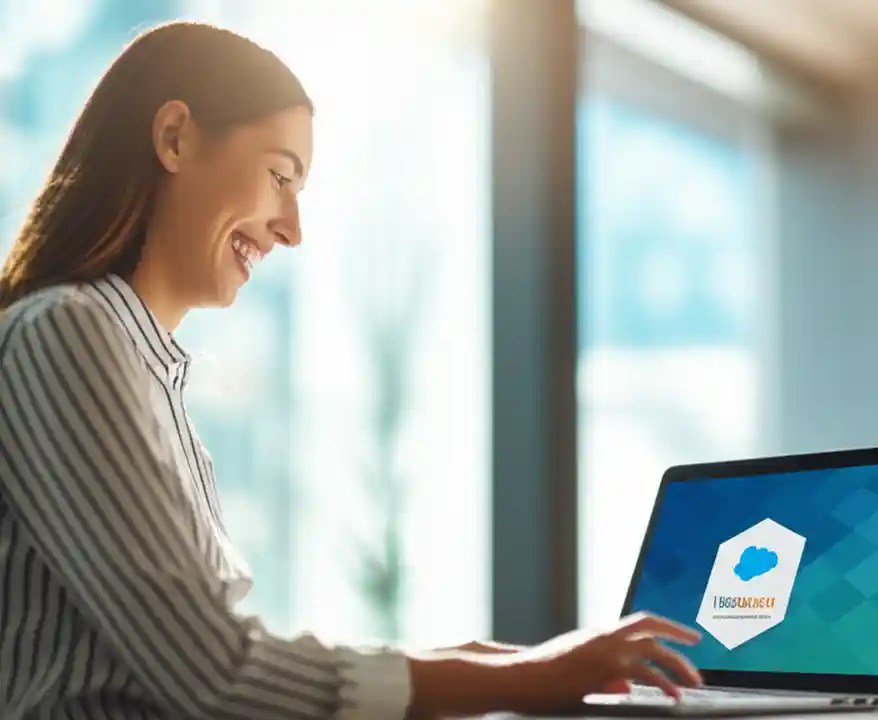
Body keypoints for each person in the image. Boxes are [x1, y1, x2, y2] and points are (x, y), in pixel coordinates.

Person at [0, 21, 701, 720]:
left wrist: (476, 664)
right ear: (176, 138)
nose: (291, 229)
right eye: (280, 176)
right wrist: (520, 678)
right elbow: (214, 673)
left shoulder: (142, 374)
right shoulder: (66, 331)